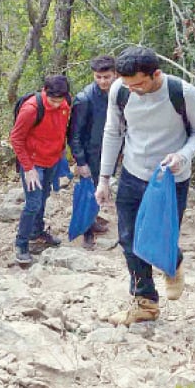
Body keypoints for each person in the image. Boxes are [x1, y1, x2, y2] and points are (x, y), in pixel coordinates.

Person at [95, 47, 195, 326]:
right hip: (133, 173)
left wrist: (182, 156)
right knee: (128, 238)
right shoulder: (119, 92)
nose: (133, 90)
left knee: (160, 237)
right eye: (128, 85)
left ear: (155, 74)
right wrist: (104, 178)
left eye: (139, 84)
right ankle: (144, 302)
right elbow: (113, 132)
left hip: (171, 178)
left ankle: (173, 261)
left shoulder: (182, 93)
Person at [10, 75, 72, 265]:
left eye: (59, 100)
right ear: (45, 91)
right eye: (52, 100)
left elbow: (62, 130)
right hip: (33, 162)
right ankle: (21, 243)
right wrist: (28, 168)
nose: (55, 104)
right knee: (33, 203)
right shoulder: (31, 109)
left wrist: (62, 156)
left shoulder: (65, 103)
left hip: (52, 160)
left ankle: (37, 233)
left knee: (44, 197)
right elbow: (16, 138)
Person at [68, 55, 117, 248]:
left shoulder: (117, 93)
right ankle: (86, 231)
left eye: (107, 77)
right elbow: (74, 134)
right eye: (99, 77)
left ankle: (93, 220)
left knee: (100, 187)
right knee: (89, 191)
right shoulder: (84, 98)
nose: (103, 81)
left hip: (107, 150)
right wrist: (80, 161)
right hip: (89, 153)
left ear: (115, 74)